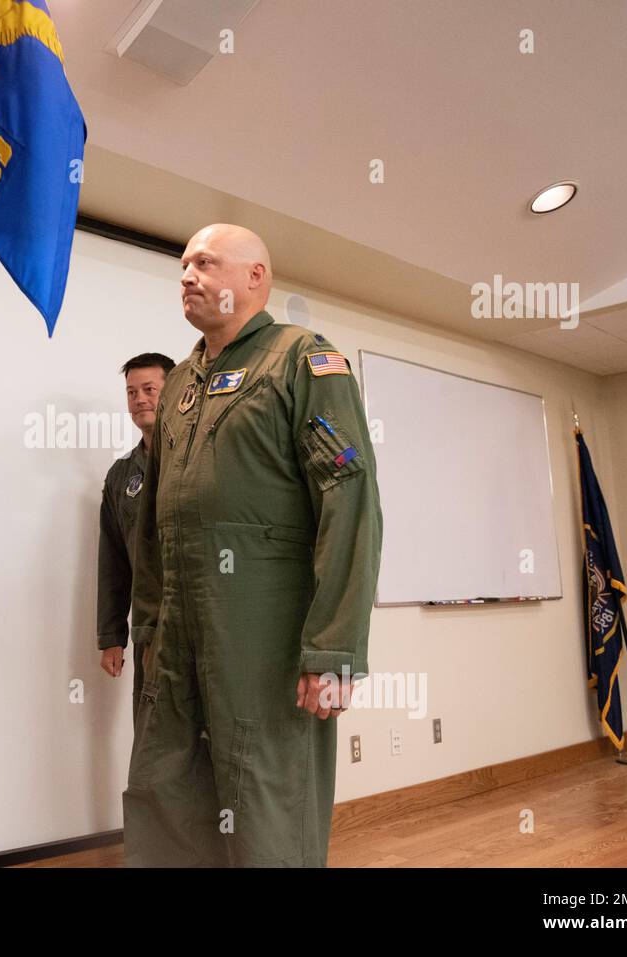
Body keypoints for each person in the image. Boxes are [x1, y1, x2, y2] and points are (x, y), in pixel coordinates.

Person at [123, 223, 383, 867]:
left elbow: (349, 502)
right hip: (180, 637)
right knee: (167, 797)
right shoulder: (180, 381)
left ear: (255, 278)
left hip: (263, 638)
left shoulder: (304, 361)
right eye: (184, 265)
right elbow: (154, 522)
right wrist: (150, 630)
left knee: (268, 805)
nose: (188, 275)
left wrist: (333, 651)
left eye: (205, 263)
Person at [98, 353, 175, 721]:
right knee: (151, 734)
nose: (139, 399)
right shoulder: (119, 476)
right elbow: (112, 562)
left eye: (149, 390)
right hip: (149, 627)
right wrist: (112, 635)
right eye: (131, 392)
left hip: (203, 625)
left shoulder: (200, 460)